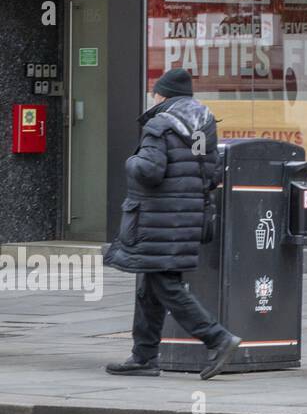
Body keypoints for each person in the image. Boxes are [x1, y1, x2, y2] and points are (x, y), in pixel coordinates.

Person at [102, 69, 241, 380]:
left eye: (155, 92)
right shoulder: (203, 124)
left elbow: (150, 170)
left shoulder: (159, 124)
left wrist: (130, 161)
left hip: (158, 220)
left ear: (161, 95)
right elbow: (212, 174)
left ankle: (218, 338)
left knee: (166, 285)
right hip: (187, 217)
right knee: (150, 288)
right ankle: (144, 357)